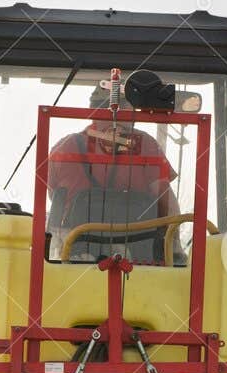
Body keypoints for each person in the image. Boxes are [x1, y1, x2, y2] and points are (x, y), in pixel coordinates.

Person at [45, 84, 179, 263]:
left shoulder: (65, 147)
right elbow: (167, 205)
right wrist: (175, 252)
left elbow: (56, 201)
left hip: (75, 259)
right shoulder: (145, 145)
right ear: (126, 110)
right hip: (141, 262)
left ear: (93, 109)